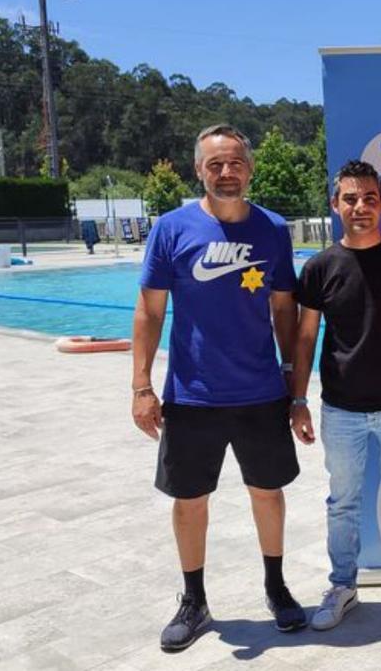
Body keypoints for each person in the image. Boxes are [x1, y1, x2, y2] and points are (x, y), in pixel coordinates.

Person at [131, 124, 306, 652]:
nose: (226, 173)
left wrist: (295, 387)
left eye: (234, 163)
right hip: (192, 394)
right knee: (189, 500)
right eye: (215, 164)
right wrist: (142, 385)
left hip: (259, 392)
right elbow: (150, 310)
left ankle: (276, 588)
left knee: (267, 493)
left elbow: (284, 309)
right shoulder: (171, 228)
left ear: (249, 169)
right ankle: (194, 600)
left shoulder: (274, 229)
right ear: (198, 170)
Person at [290, 159, 381, 629]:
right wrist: (297, 401)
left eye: (370, 198)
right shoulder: (319, 268)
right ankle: (342, 585)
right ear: (335, 205)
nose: (361, 207)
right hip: (341, 409)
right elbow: (305, 338)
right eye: (351, 199)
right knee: (343, 503)